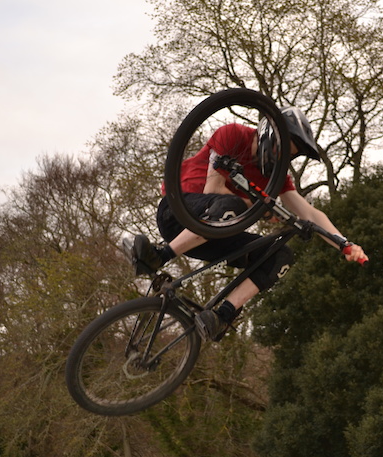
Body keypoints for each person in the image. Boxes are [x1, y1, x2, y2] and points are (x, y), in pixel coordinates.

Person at [124, 106, 368, 341]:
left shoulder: (276, 177)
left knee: (280, 255)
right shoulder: (234, 135)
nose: (283, 158)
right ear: (269, 135)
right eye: (282, 150)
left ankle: (222, 316)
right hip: (179, 212)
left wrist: (344, 244)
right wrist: (258, 208)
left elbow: (310, 213)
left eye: (291, 155)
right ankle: (159, 256)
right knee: (232, 206)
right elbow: (214, 188)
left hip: (214, 235)